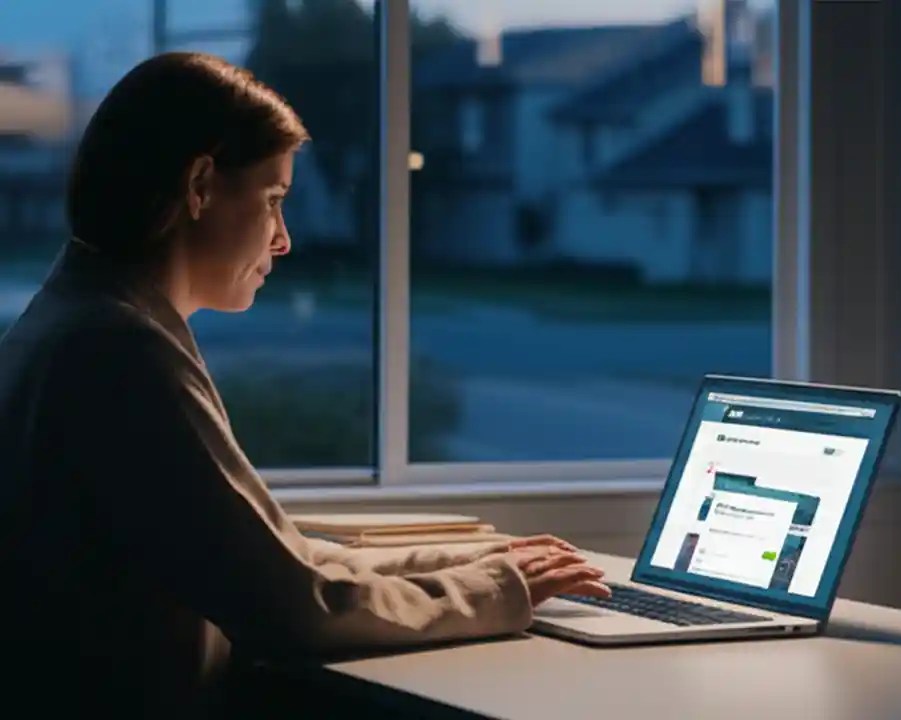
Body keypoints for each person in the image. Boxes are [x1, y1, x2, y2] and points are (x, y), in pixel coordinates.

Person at [0, 52, 609, 717]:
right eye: (273, 201)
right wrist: (493, 587)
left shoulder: (70, 322)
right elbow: (295, 606)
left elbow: (272, 561)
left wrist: (474, 561)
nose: (284, 240)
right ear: (200, 186)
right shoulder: (120, 351)